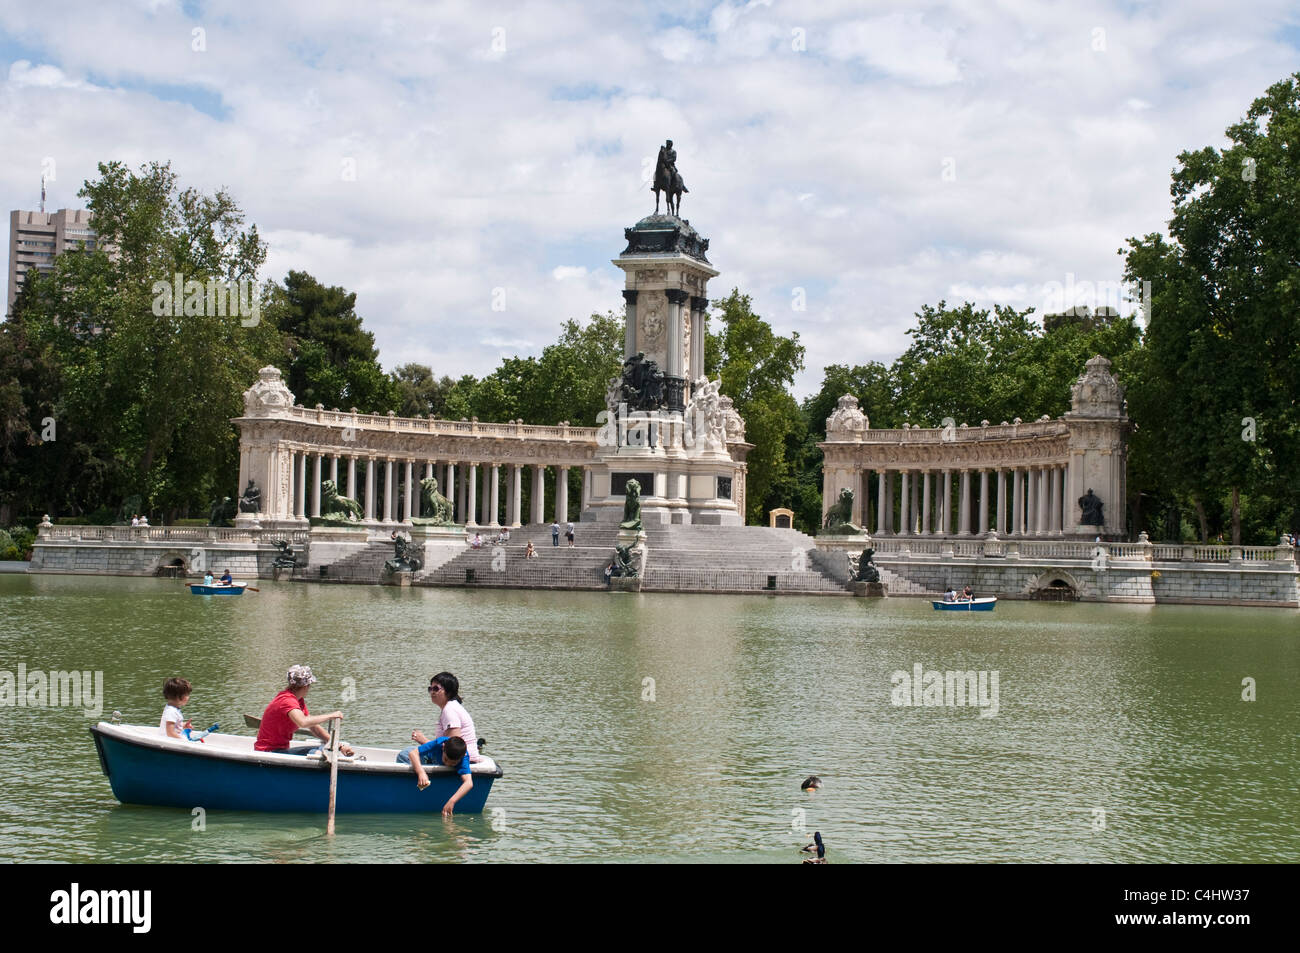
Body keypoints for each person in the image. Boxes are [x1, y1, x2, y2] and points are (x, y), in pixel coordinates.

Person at [254, 665, 354, 757]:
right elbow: (303, 722)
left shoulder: (298, 700)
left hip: (280, 750)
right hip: (268, 753)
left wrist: (339, 746)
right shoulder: (287, 701)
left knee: (325, 748)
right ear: (306, 686)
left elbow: (314, 728)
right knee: (319, 753)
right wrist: (331, 716)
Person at [401, 671, 482, 763]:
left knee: (405, 754)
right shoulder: (451, 707)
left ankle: (422, 777)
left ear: (448, 691)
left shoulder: (450, 710)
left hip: (461, 760)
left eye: (436, 689)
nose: (432, 692)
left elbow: (453, 748)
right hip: (459, 758)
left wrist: (423, 740)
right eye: (430, 688)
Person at [403, 735, 473, 816]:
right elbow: (413, 753)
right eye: (446, 759)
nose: (448, 764)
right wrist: (421, 772)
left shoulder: (463, 757)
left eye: (453, 763)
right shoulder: (440, 743)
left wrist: (452, 801)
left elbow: (469, 783)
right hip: (409, 757)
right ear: (443, 748)